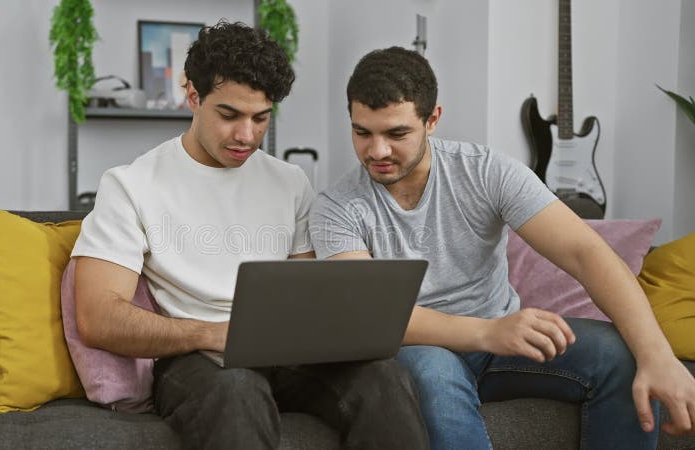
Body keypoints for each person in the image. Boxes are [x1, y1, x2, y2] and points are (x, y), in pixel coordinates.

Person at [309, 46, 695, 449]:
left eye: (396, 133)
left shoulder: (485, 170)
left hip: (501, 344)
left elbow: (587, 253)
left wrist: (658, 355)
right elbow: (375, 316)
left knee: (621, 353)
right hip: (424, 350)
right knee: (431, 372)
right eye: (362, 132)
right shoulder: (336, 209)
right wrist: (488, 332)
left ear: (432, 119)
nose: (377, 151)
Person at [69, 24, 428, 450]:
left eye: (261, 118)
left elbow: (310, 292)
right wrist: (207, 334)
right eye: (229, 115)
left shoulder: (290, 182)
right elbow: (97, 318)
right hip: (196, 361)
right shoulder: (131, 185)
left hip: (287, 354)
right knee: (237, 388)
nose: (246, 136)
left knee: (384, 376)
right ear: (193, 97)